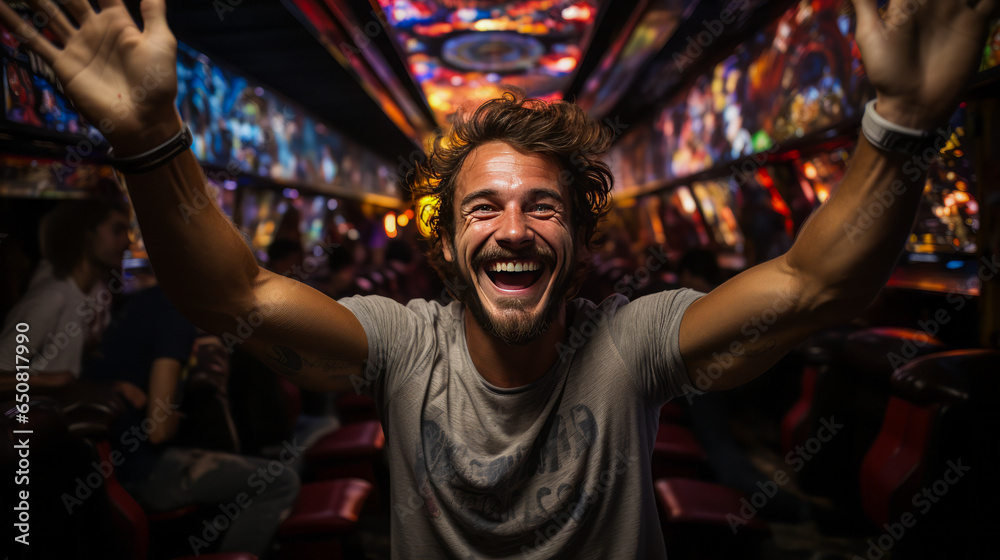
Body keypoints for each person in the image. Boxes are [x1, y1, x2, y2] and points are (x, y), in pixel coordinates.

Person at [0, 0, 993, 557]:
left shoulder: (633, 340)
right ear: (446, 241)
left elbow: (816, 284)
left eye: (542, 205)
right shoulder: (402, 340)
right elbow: (235, 298)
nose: (513, 228)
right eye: (484, 206)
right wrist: (148, 140)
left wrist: (899, 125)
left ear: (576, 232)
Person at [82, 265, 300, 557]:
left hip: (103, 473)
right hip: (140, 472)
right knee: (281, 481)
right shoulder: (176, 315)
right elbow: (158, 431)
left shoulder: (142, 302)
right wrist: (170, 414)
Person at [0, 198, 131, 390]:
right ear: (87, 233)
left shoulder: (98, 294)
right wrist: (46, 380)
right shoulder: (51, 298)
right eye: (117, 231)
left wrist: (110, 387)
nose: (128, 241)